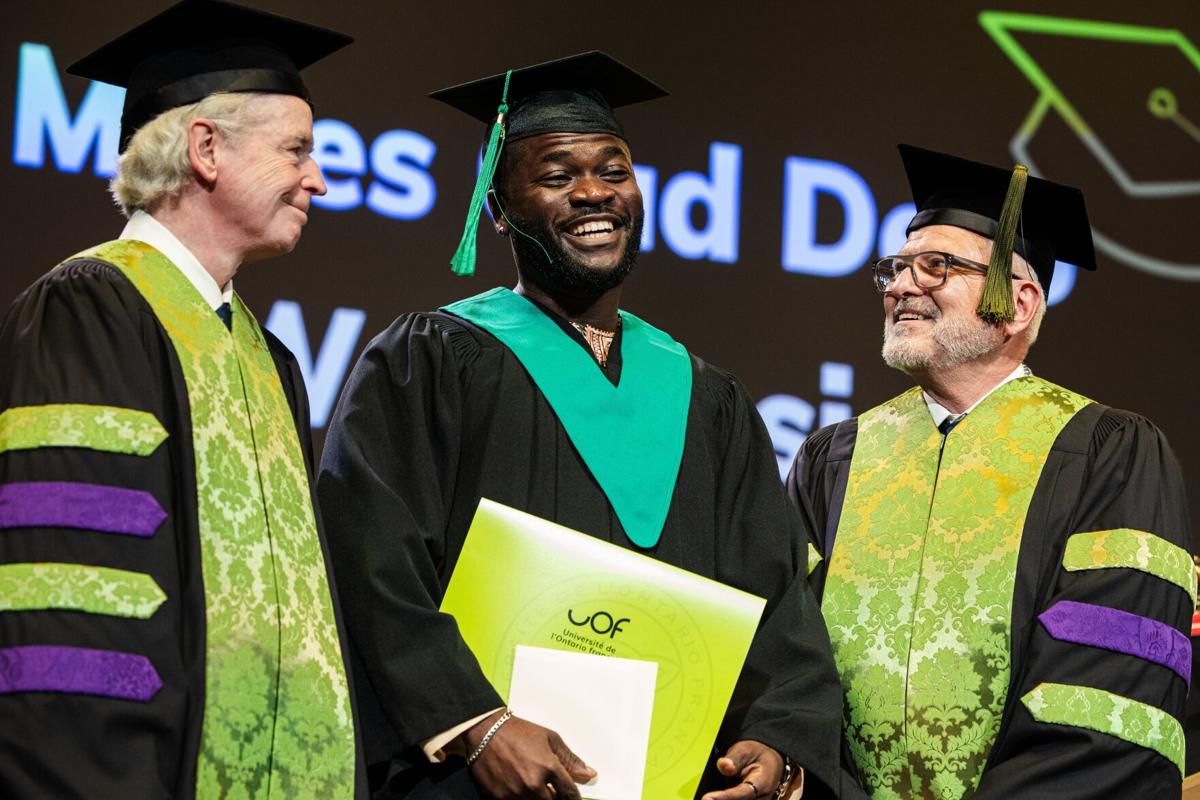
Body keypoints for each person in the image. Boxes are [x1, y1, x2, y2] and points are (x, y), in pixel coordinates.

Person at [318, 51, 841, 800]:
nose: (594, 192)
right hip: (479, 779)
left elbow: (776, 591)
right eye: (558, 176)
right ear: (499, 209)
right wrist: (477, 722)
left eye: (614, 171)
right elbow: (370, 554)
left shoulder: (709, 398)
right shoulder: (432, 360)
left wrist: (778, 738)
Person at [0, 1, 363, 797]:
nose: (318, 179)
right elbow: (71, 597)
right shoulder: (88, 309)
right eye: (297, 150)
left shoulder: (270, 357)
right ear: (205, 149)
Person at [787, 144, 1193, 799]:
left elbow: (1110, 697)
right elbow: (790, 660)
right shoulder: (833, 458)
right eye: (895, 267)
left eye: (936, 266)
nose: (900, 285)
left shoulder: (1109, 454)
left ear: (1019, 302)